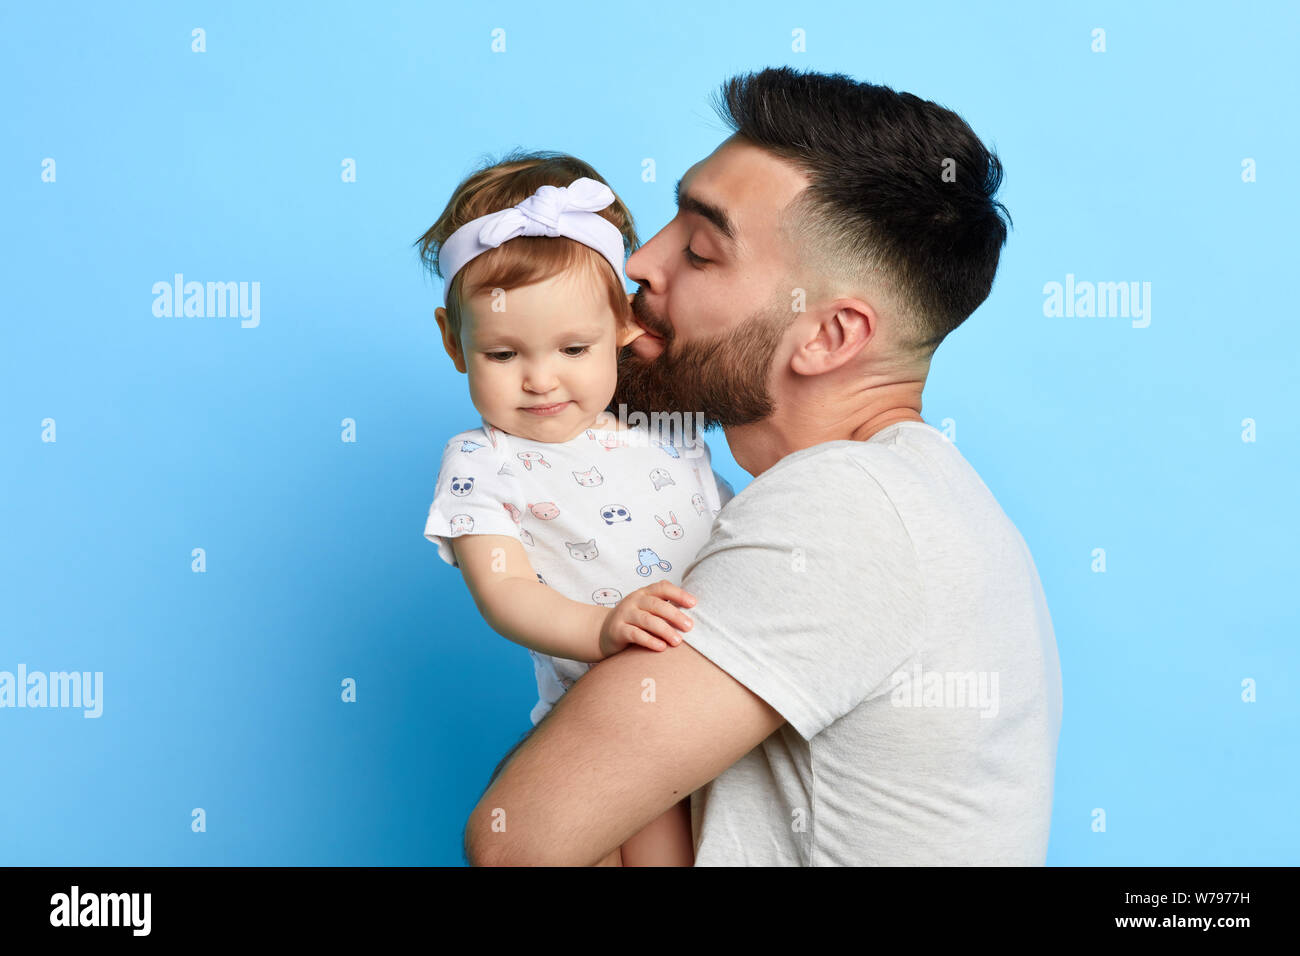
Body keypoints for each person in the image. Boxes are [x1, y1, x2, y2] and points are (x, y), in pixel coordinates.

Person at [463, 66, 1064, 866]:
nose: (638, 263)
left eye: (702, 251)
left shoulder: (848, 508)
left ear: (826, 337)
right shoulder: (919, 496)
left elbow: (520, 838)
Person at [416, 152, 736, 865]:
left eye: (573, 346)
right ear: (452, 341)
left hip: (719, 689)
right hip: (610, 713)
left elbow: (736, 526)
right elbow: (504, 593)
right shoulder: (483, 461)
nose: (541, 379)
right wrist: (604, 628)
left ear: (622, 323)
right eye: (502, 354)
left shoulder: (668, 429)